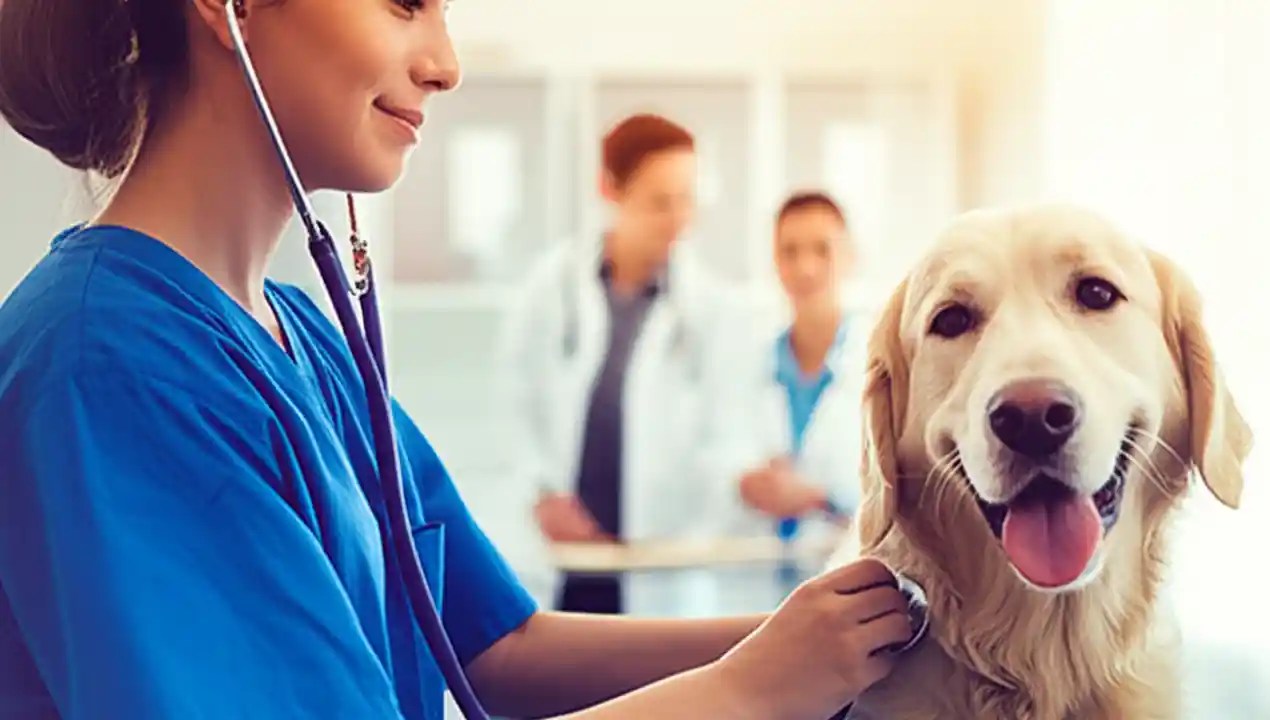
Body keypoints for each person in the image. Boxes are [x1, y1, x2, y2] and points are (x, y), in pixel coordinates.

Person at [0, 2, 912, 719]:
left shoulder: (302, 337)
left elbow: (497, 648)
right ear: (230, 6)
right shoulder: (107, 372)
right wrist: (750, 695)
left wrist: (823, 645)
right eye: (405, 4)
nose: (446, 63)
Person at [494, 113, 741, 616]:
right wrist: (542, 494)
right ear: (609, 190)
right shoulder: (552, 287)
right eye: (660, 202)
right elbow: (515, 404)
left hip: (657, 563)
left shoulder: (711, 309)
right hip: (562, 553)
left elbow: (726, 439)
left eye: (687, 199)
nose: (679, 218)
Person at [731, 192, 863, 547]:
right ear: (775, 261)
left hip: (849, 574)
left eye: (822, 250)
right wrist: (747, 484)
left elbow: (908, 494)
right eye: (790, 252)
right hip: (756, 578)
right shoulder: (749, 365)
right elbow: (717, 465)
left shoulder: (877, 365)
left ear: (850, 257)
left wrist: (822, 497)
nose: (806, 268)